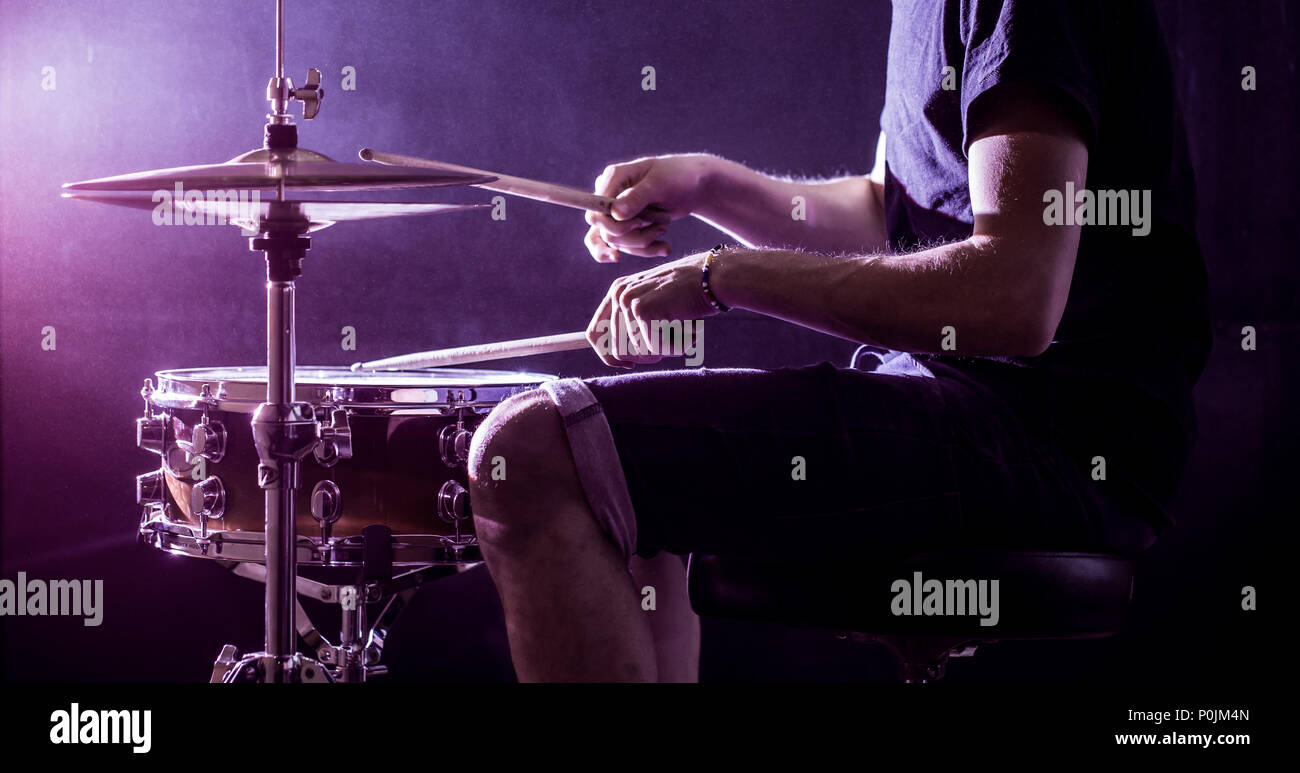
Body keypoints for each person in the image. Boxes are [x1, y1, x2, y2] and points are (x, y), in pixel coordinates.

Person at [467, 0, 1210, 682]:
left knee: (536, 449)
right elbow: (895, 214)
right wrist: (707, 186)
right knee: (609, 472)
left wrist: (723, 277)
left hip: (1054, 438)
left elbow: (1013, 295)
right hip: (970, 404)